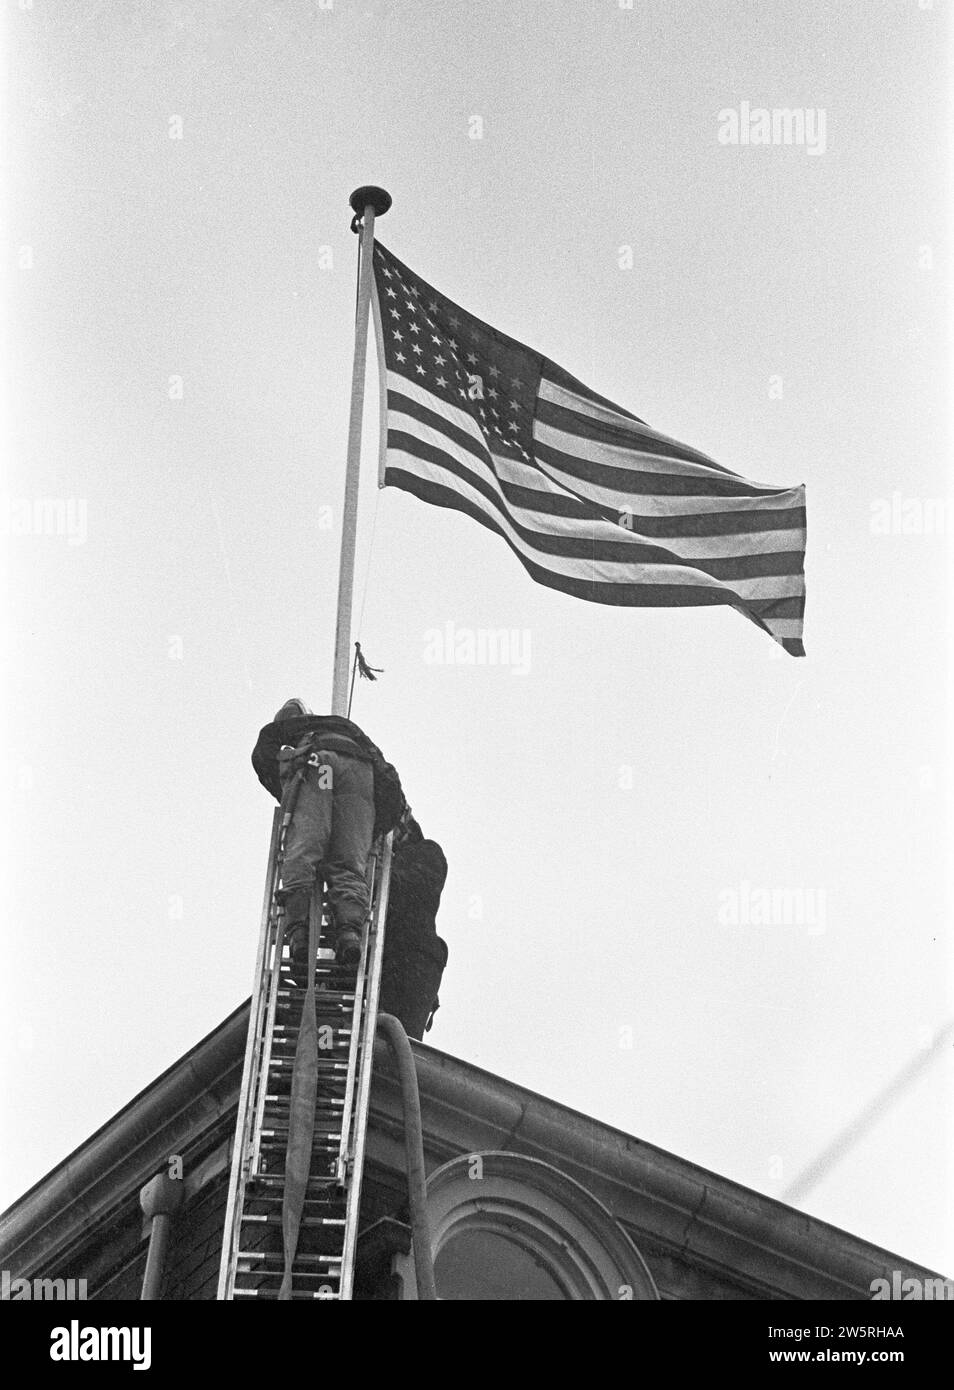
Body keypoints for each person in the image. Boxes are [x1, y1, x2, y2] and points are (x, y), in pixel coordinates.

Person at [252, 699, 405, 969]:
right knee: (348, 863)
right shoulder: (353, 733)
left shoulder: (289, 729)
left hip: (318, 764)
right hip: (361, 773)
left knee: (305, 846)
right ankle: (349, 935)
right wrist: (370, 829)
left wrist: (288, 793)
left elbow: (262, 753)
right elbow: (391, 787)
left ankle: (299, 934)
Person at [379, 809, 449, 1039]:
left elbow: (408, 890)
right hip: (395, 962)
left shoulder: (428, 854)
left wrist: (375, 873)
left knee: (397, 1049)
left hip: (411, 964)